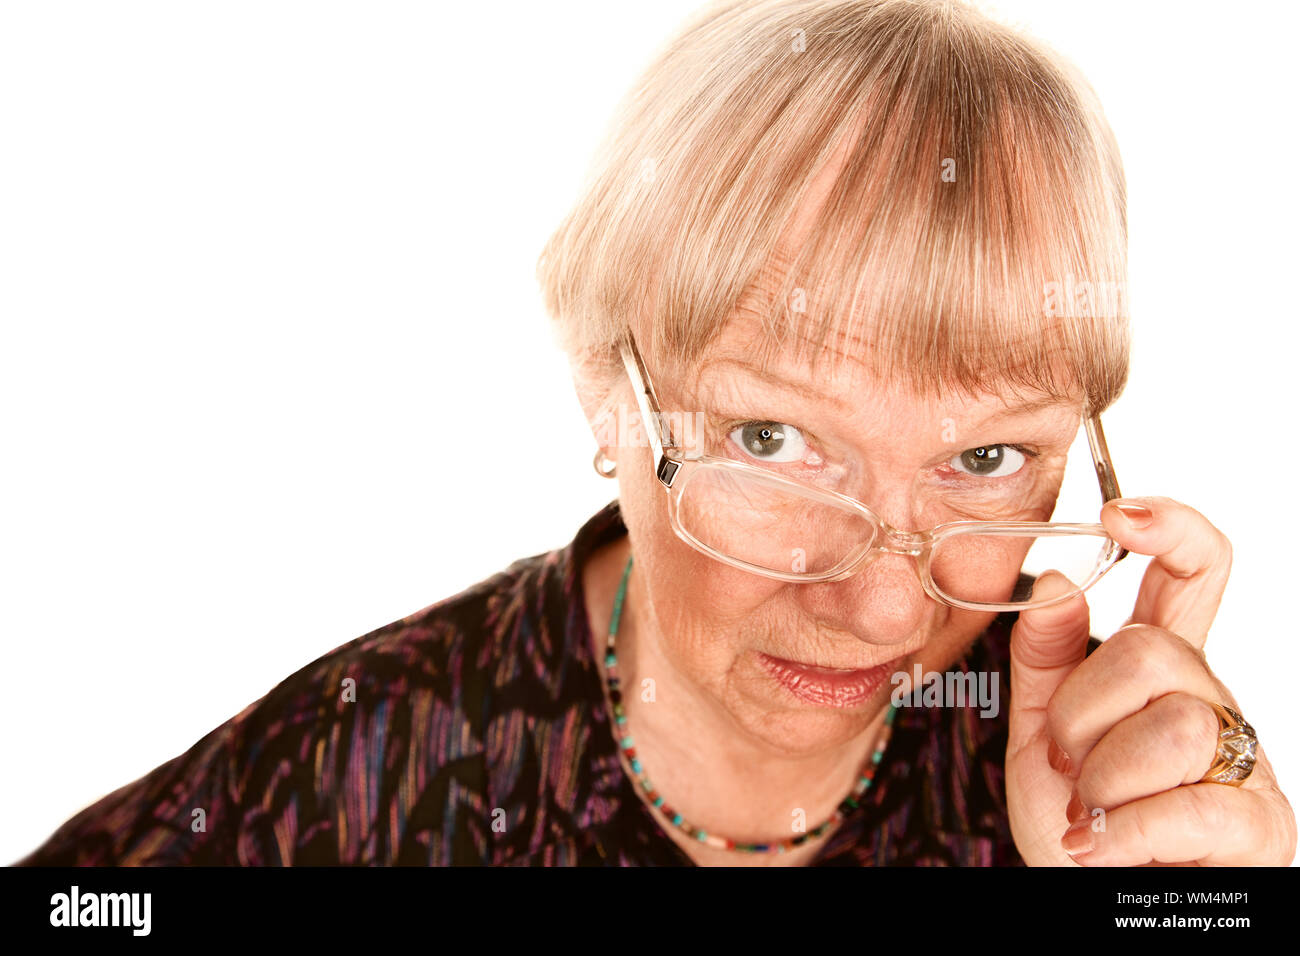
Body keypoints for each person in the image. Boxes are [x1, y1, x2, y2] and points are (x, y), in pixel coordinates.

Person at [16, 0, 1295, 867]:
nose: (887, 611)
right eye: (771, 439)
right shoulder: (363, 770)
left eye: (985, 458)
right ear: (600, 386)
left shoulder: (1082, 763)